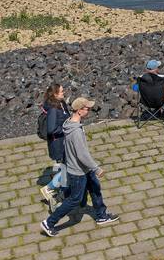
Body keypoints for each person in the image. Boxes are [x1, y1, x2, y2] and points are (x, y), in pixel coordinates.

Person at [40, 97, 119, 236]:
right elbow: (82, 155)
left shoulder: (68, 122)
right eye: (87, 108)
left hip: (82, 168)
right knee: (73, 200)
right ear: (79, 111)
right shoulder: (75, 131)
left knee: (95, 188)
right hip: (78, 171)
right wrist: (96, 168)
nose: (89, 110)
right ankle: (49, 223)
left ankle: (101, 215)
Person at [39, 83, 70, 208]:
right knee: (66, 168)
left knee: (64, 167)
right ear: (55, 94)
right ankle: (49, 188)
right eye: (62, 91)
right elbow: (51, 129)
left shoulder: (61, 103)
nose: (64, 93)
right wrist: (66, 128)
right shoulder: (53, 109)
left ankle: (63, 192)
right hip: (58, 143)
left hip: (64, 141)